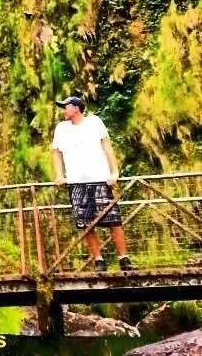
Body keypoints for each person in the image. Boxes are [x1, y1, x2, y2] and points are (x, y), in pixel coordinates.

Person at [52, 95, 135, 272]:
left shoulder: (94, 122)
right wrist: (59, 175)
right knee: (84, 222)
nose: (63, 110)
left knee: (113, 218)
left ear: (76, 108)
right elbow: (56, 153)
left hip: (99, 178)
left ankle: (123, 258)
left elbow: (107, 146)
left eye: (65, 107)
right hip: (76, 181)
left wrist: (114, 172)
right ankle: (98, 259)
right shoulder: (61, 129)